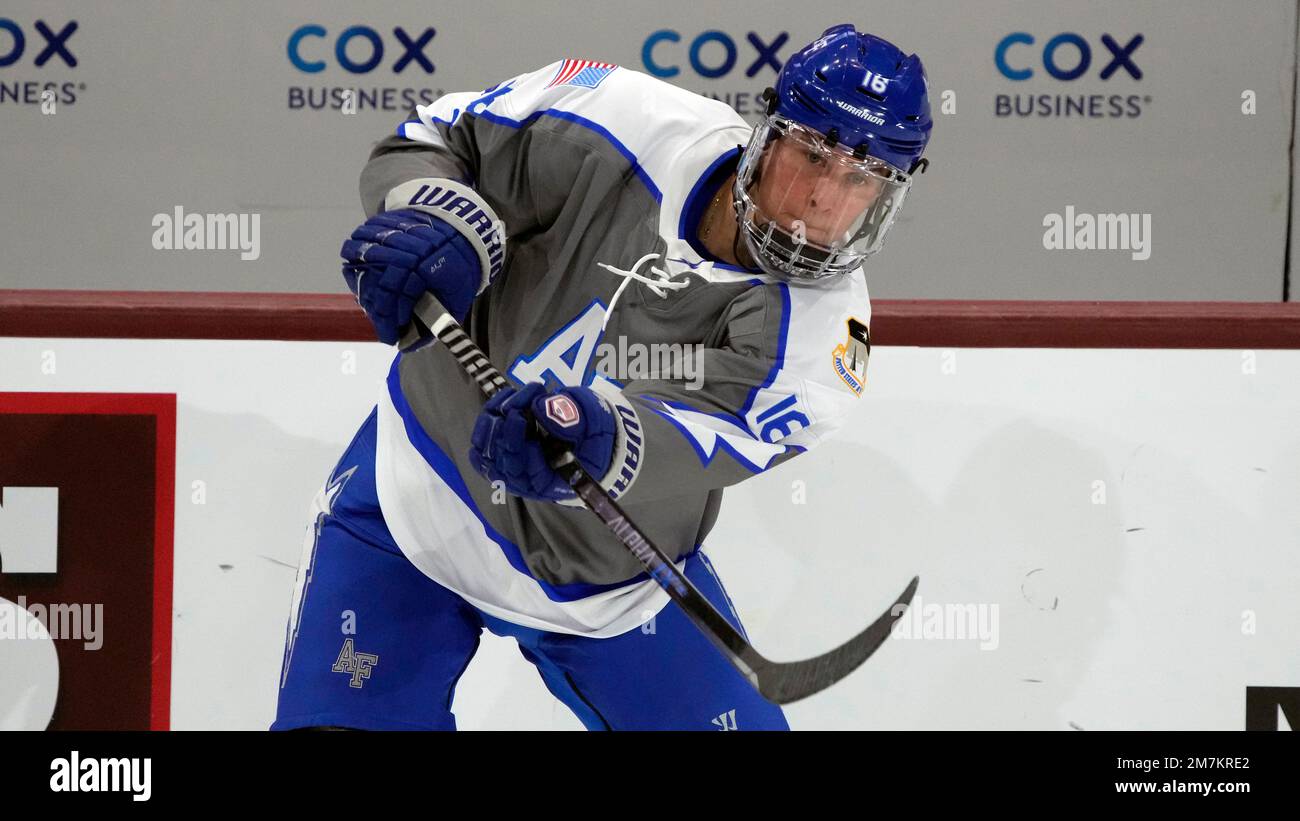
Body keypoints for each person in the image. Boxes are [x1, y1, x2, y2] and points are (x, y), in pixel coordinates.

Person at [272, 24, 932, 731]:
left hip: (609, 589)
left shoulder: (823, 334)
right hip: (417, 497)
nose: (821, 203)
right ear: (766, 135)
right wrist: (436, 219)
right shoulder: (618, 118)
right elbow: (432, 140)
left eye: (860, 179)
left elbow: (694, 439)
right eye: (810, 155)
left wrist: (599, 438)